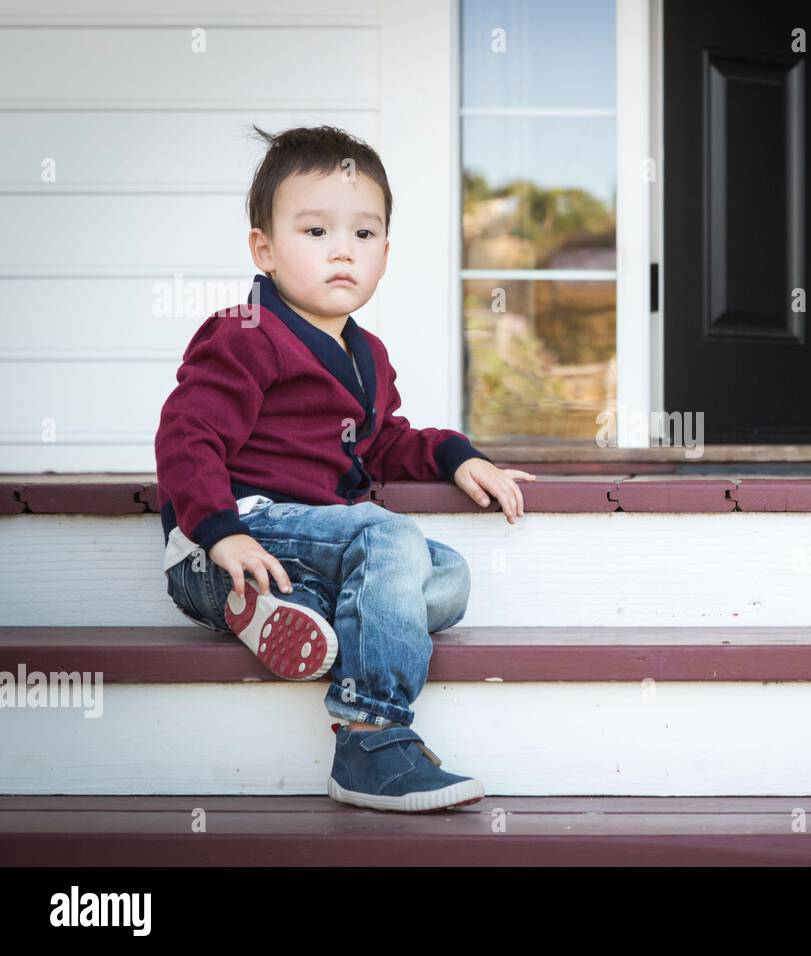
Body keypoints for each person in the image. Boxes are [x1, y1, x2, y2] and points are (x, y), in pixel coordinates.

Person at [154, 125, 535, 812]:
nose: (342, 251)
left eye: (364, 235)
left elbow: (383, 441)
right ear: (263, 249)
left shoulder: (369, 356)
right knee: (389, 538)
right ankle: (372, 735)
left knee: (445, 576)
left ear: (385, 252)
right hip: (232, 536)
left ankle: (291, 611)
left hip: (310, 546)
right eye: (315, 231)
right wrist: (218, 529)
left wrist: (455, 455)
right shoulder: (245, 334)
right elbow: (188, 433)